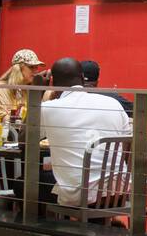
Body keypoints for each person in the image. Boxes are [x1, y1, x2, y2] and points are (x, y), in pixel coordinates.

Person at [40, 57, 132, 213]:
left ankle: (56, 232)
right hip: (119, 191)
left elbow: (24, 140)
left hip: (81, 196)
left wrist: (38, 91)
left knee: (23, 183)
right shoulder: (112, 104)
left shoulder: (48, 108)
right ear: (82, 78)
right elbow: (128, 143)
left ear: (52, 82)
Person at [0, 48, 46, 127]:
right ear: (18, 68)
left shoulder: (29, 89)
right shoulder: (0, 88)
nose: (36, 71)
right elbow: (1, 119)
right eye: (31, 67)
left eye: (36, 67)